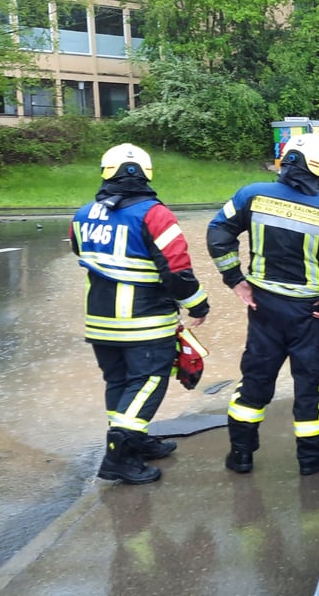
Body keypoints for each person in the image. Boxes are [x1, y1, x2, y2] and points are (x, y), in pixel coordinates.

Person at [208, 132, 319, 476]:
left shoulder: (251, 195)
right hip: (309, 314)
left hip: (263, 308)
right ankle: (312, 456)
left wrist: (235, 280)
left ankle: (241, 455)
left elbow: (218, 232)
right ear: (318, 171)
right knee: (311, 384)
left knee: (255, 379)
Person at [71, 143, 209, 485]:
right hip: (144, 324)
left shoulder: (83, 214)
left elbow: (80, 250)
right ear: (146, 174)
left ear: (106, 173)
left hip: (101, 323)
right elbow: (177, 272)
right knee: (147, 383)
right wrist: (198, 304)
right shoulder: (155, 215)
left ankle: (136, 440)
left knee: (119, 384)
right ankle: (120, 455)